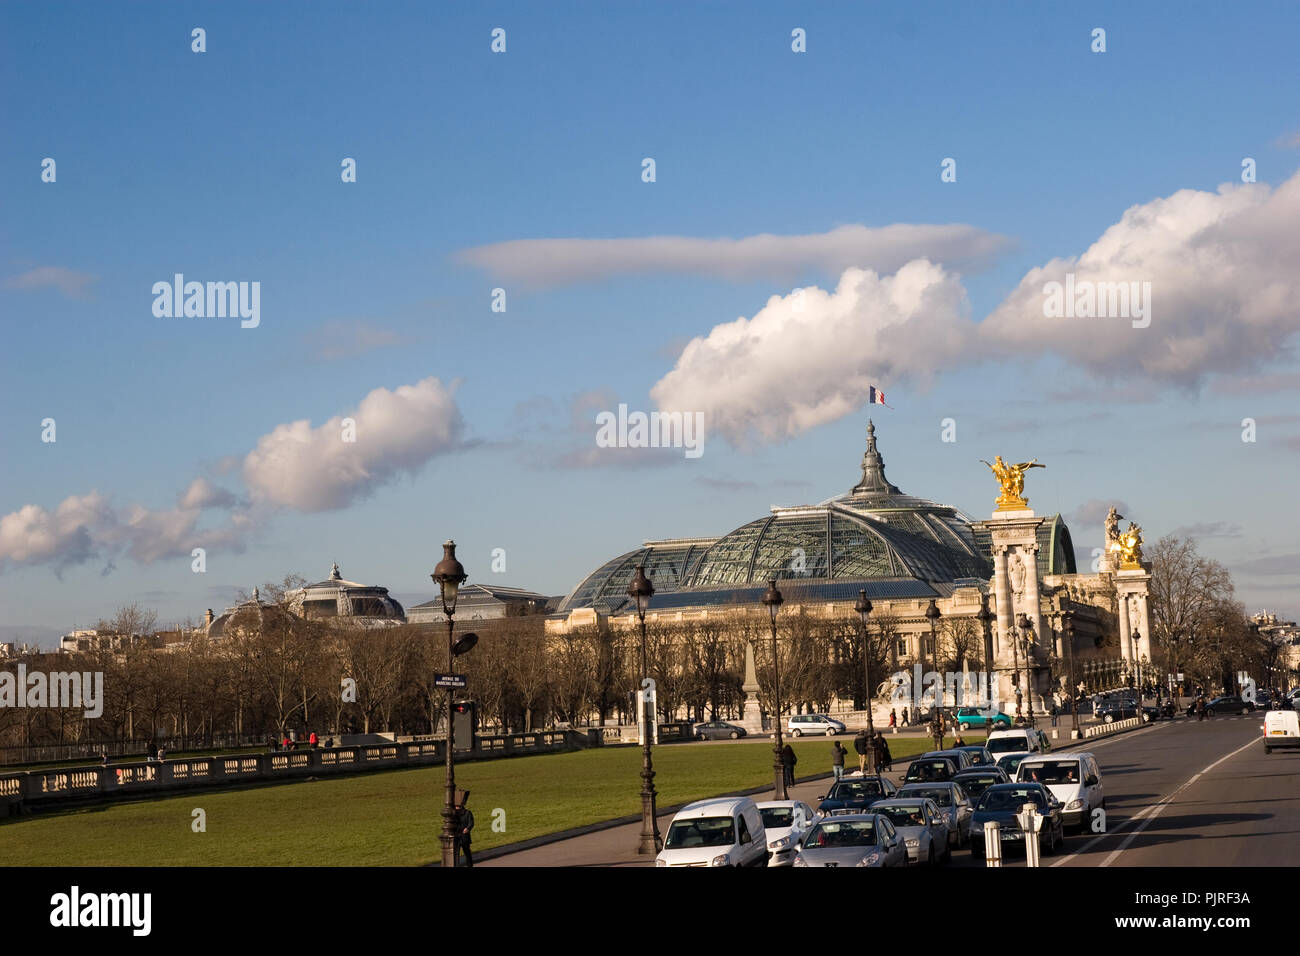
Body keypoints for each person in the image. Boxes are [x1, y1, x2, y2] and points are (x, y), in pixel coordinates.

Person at [455, 791, 475, 867]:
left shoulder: (467, 813)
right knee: (456, 854)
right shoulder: (453, 813)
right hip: (456, 836)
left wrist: (467, 828)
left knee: (467, 853)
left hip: (464, 836)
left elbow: (471, 822)